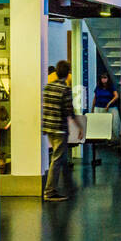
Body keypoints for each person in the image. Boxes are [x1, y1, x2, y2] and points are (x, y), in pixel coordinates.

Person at [42, 60, 75, 202]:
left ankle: (62, 186)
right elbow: (69, 110)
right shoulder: (65, 88)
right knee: (57, 159)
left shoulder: (48, 86)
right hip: (60, 128)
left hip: (49, 127)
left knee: (59, 158)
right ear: (67, 74)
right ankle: (50, 192)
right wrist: (79, 126)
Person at [92, 72, 120, 140]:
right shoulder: (98, 87)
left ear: (108, 78)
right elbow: (95, 98)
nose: (103, 79)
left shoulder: (111, 87)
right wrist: (92, 108)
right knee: (100, 125)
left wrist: (109, 103)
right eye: (102, 78)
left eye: (105, 78)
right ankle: (101, 140)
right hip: (99, 107)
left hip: (110, 107)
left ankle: (115, 139)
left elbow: (116, 96)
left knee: (115, 124)